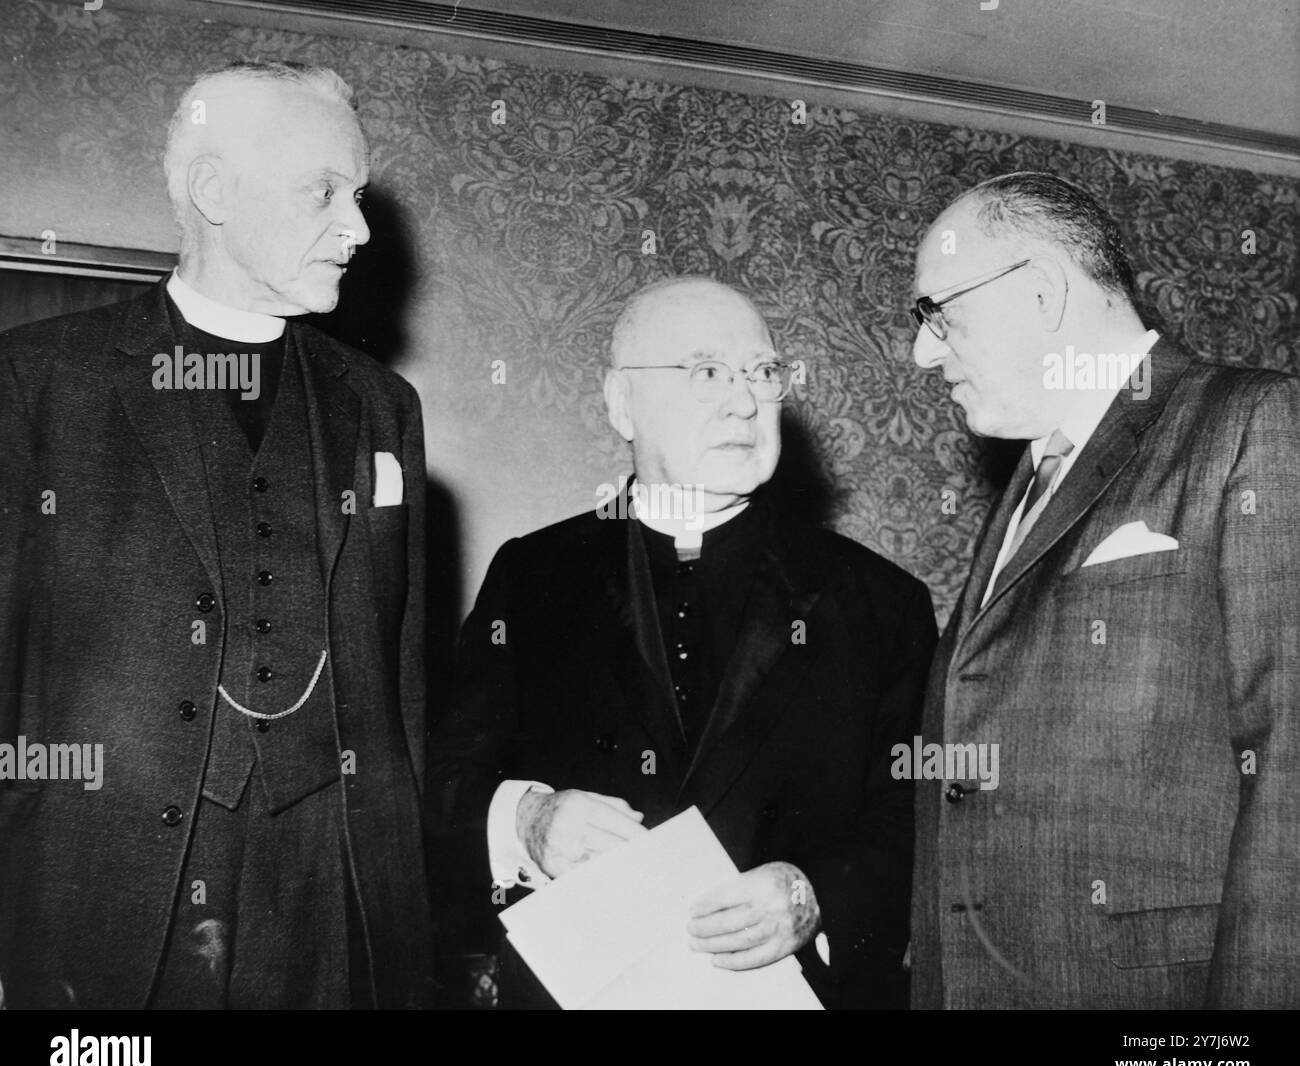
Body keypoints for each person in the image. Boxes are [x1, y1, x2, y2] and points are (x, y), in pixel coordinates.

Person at [0, 61, 434, 1008]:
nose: (358, 228)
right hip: (102, 898)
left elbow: (400, 684)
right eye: (326, 192)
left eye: (358, 196)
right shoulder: (40, 382)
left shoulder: (382, 407)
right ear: (213, 192)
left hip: (334, 892)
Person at [428, 276, 936, 1009]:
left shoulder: (882, 603)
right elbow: (436, 779)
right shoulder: (531, 575)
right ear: (620, 402)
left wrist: (815, 894)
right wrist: (529, 819)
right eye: (705, 373)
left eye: (763, 373)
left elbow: (916, 815)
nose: (745, 400)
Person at [907, 171, 1300, 1008]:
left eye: (936, 313)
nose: (924, 351)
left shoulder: (1253, 424)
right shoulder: (1028, 476)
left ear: (1042, 291)